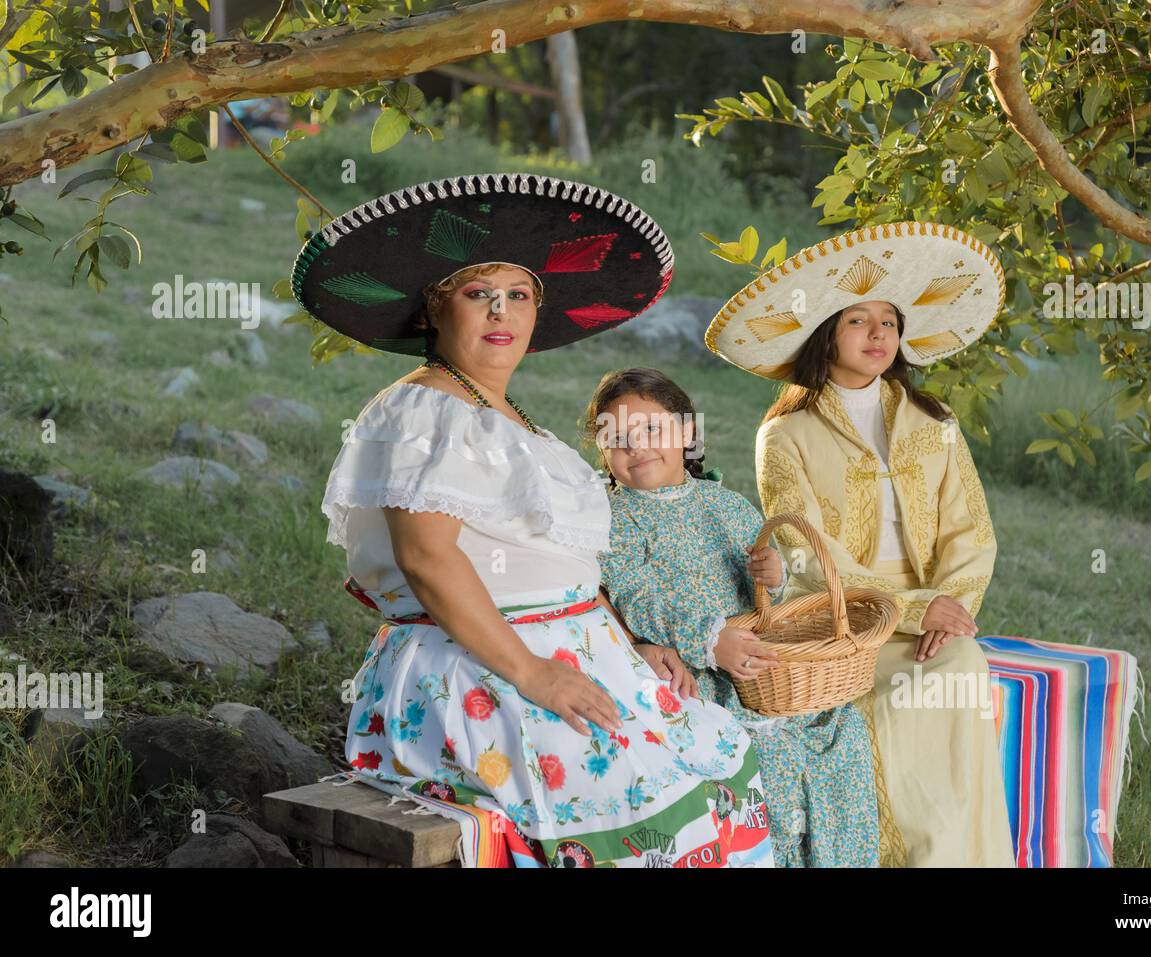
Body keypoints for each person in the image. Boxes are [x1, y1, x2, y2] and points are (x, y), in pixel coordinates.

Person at [295, 172, 775, 868]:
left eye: (518, 294)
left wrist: (627, 643)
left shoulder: (510, 418)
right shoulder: (424, 408)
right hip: (485, 668)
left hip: (575, 656)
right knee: (635, 797)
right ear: (434, 310)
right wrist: (533, 672)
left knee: (715, 756)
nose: (501, 309)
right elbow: (428, 559)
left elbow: (563, 563)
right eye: (476, 292)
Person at [705, 221, 1016, 866]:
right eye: (857, 320)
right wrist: (905, 609)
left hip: (936, 613)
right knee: (900, 702)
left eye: (890, 322)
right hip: (847, 618)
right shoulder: (786, 435)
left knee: (960, 666)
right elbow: (802, 554)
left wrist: (951, 608)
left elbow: (972, 531)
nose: (879, 335)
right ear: (826, 335)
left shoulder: (936, 423)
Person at [590, 367, 896, 867]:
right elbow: (635, 597)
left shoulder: (727, 505)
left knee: (844, 736)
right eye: (617, 438)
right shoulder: (617, 518)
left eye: (652, 430)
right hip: (703, 675)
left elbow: (770, 602)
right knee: (767, 756)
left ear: (687, 432)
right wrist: (711, 641)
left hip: (767, 669)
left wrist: (772, 577)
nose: (637, 446)